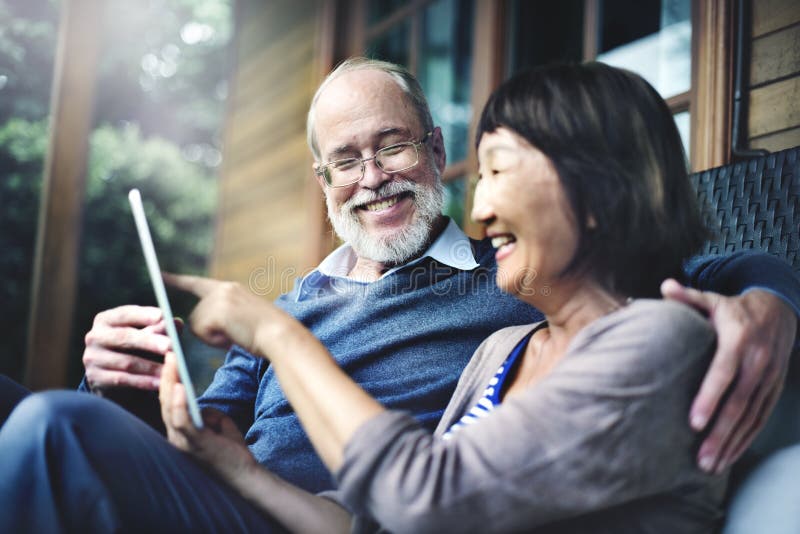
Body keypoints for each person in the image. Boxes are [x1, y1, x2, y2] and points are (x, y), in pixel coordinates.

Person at [0, 59, 797, 531]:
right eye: (344, 161)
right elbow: (208, 434)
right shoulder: (294, 297)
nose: (371, 176)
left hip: (319, 518)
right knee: (38, 411)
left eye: (392, 146)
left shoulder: (522, 275)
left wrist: (771, 297)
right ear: (323, 184)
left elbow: (683, 265)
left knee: (51, 427)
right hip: (231, 498)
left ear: (437, 151)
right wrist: (125, 386)